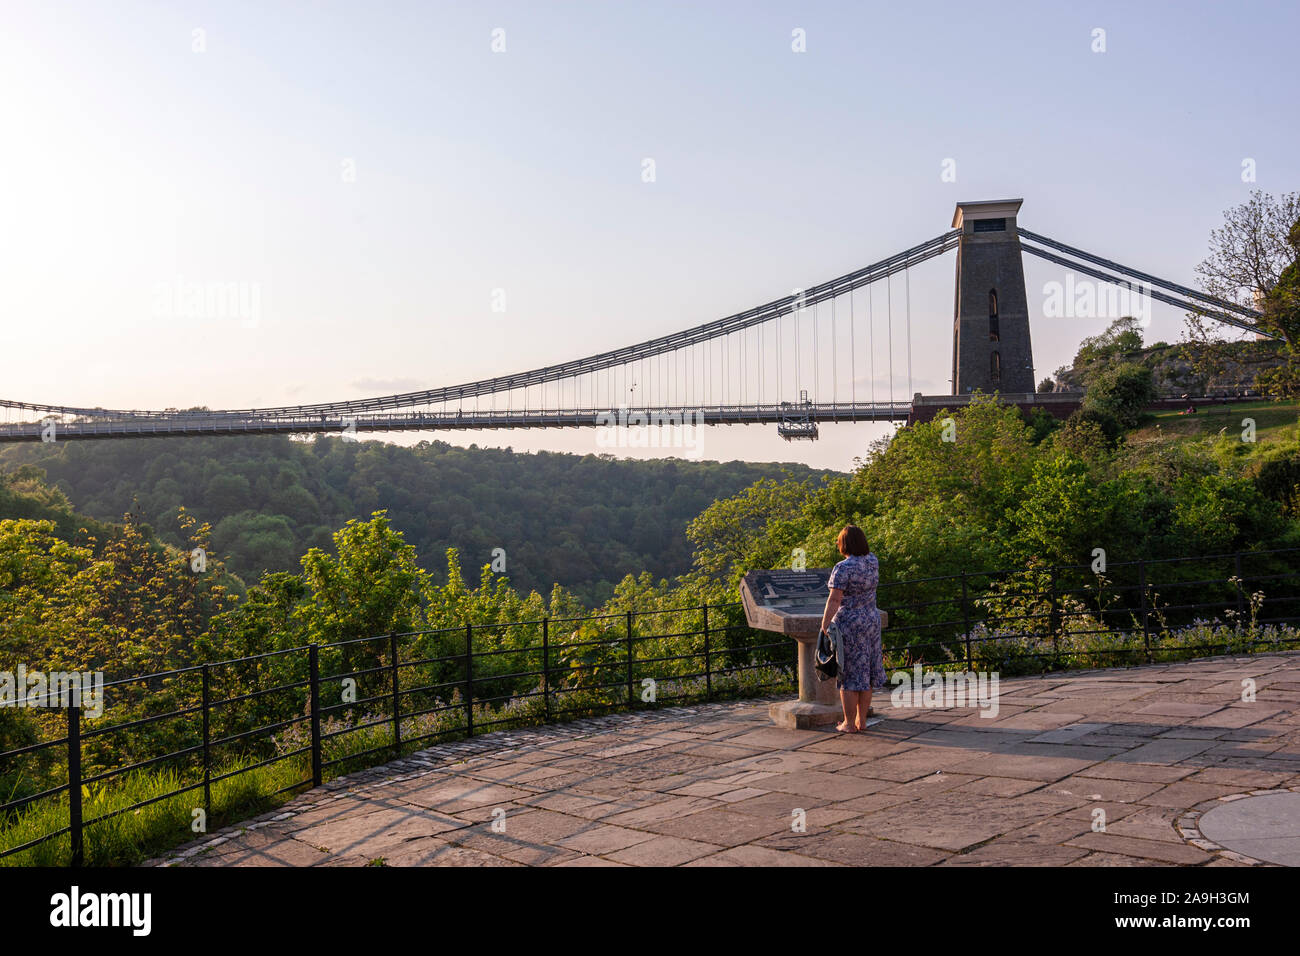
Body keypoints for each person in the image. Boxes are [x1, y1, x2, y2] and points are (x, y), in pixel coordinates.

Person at [817, 525, 884, 733]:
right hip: (871, 620)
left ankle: (848, 723)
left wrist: (825, 623)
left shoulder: (843, 568)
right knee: (867, 672)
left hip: (850, 624)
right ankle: (861, 721)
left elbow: (835, 598)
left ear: (844, 544)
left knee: (849, 674)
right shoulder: (873, 561)